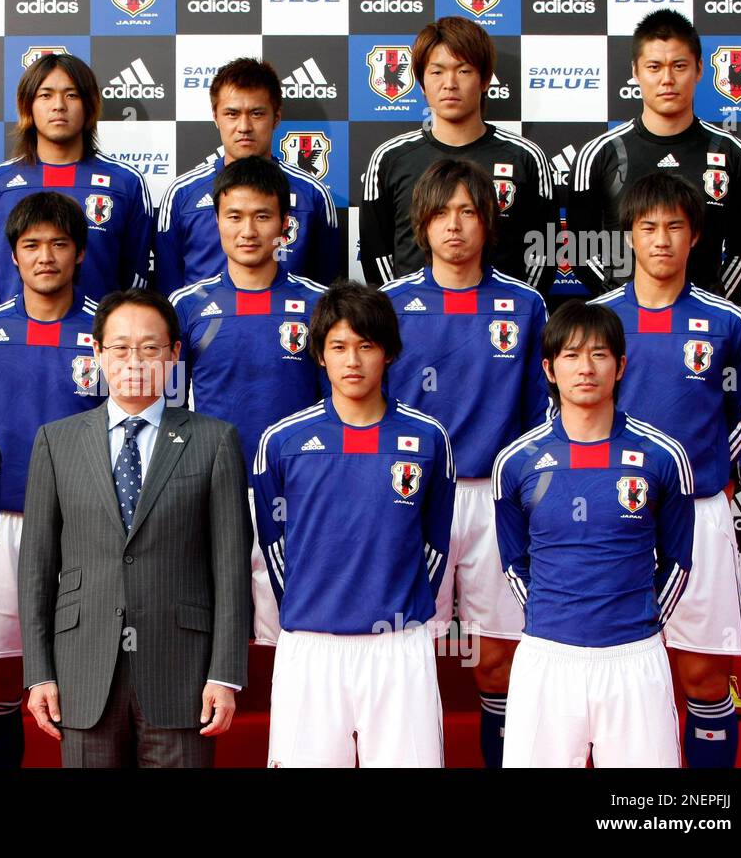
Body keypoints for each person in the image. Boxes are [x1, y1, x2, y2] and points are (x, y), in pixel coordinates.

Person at [18, 289, 251, 767]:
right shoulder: (56, 443)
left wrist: (224, 673)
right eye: (120, 347)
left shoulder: (214, 440)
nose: (134, 359)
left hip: (182, 670)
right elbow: (37, 569)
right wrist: (39, 672)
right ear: (98, 353)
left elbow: (230, 568)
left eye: (150, 347)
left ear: (173, 356)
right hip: (83, 668)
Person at [380, 158, 549, 767]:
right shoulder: (389, 305)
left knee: (498, 657)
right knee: (407, 649)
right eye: (441, 212)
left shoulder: (525, 305)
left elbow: (540, 413)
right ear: (421, 225)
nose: (454, 226)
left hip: (495, 500)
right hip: (412, 497)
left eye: (468, 211)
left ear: (489, 222)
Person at [589, 173, 741, 767]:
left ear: (695, 237)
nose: (661, 240)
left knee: (703, 678)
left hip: (696, 513)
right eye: (648, 227)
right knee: (608, 675)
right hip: (611, 515)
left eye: (675, 227)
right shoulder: (596, 319)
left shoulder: (728, 322)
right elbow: (564, 416)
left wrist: (697, 471)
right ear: (629, 236)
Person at [253, 282, 455, 767]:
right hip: (312, 646)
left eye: (366, 346)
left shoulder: (428, 439)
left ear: (389, 353)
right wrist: (309, 604)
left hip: (398, 647)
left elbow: (434, 542)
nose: (353, 361)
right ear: (319, 356)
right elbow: (272, 541)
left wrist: (397, 603)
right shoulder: (282, 441)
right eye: (339, 347)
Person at [493, 301, 694, 767]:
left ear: (621, 366)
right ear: (549, 368)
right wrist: (555, 615)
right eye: (571, 355)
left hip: (634, 659)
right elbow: (513, 560)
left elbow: (679, 560)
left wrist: (637, 621)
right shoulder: (516, 462)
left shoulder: (663, 456)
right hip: (547, 657)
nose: (586, 368)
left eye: (600, 354)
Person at [0, 193, 105, 767]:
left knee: (87, 670)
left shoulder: (108, 331)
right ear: (11, 257)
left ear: (81, 253)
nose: (46, 257)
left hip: (85, 524)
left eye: (60, 244)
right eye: (31, 246)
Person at [168, 156, 327, 648]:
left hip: (299, 486)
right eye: (234, 216)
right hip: (215, 484)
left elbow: (339, 401)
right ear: (216, 220)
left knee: (291, 631)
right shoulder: (186, 306)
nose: (248, 230)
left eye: (262, 216)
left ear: (285, 224)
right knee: (214, 629)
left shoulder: (321, 305)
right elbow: (169, 407)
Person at [569, 10, 741, 299]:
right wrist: (623, 304)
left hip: (702, 331)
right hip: (621, 329)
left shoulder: (736, 155)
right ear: (636, 72)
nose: (667, 79)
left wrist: (710, 305)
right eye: (655, 67)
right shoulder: (597, 155)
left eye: (679, 66)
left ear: (699, 70)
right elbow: (580, 248)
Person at [360, 17, 555, 290]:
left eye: (463, 71)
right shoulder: (391, 158)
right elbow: (375, 253)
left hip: (502, 323)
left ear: (485, 80)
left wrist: (519, 306)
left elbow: (543, 253)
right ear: (421, 82)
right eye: (437, 72)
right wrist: (401, 307)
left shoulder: (525, 158)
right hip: (412, 321)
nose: (449, 83)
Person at [0, 54, 152, 310]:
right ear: (27, 106)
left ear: (89, 105)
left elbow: (135, 273)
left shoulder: (125, 183)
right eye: (46, 95)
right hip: (17, 340)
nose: (59, 106)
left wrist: (113, 328)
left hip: (98, 340)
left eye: (72, 95)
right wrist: (6, 323)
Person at [156, 58, 339, 296]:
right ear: (215, 116)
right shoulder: (182, 194)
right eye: (232, 114)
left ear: (276, 117)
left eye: (256, 113)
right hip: (204, 333)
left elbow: (323, 290)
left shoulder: (312, 194)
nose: (244, 126)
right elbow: (169, 293)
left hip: (289, 330)